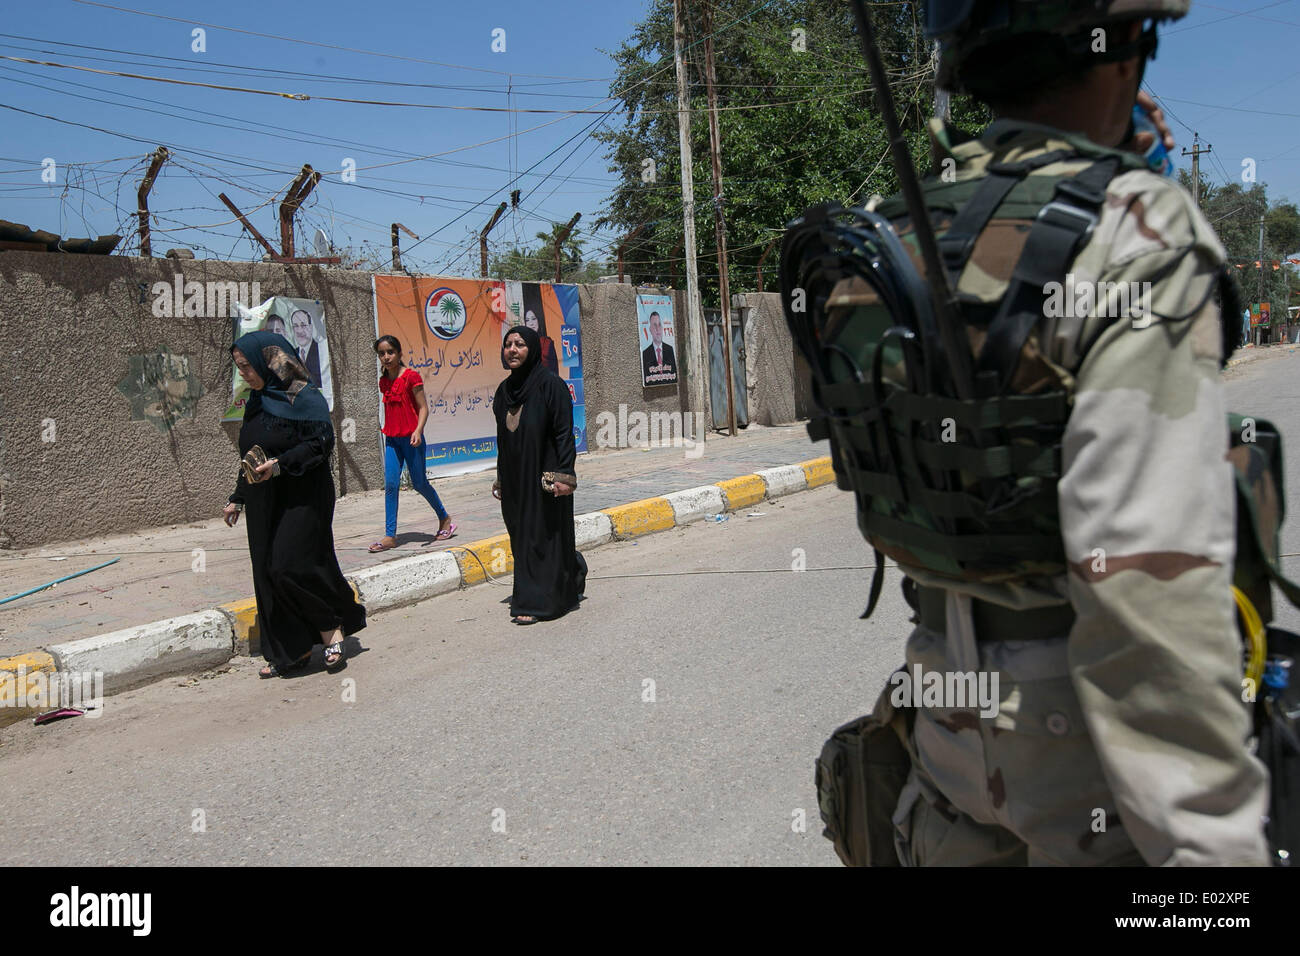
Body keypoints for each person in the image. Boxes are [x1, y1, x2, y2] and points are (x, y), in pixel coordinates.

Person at [794, 0, 1268, 865]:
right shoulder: (1137, 235)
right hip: (1097, 778)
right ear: (1128, 49)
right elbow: (1146, 594)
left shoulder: (890, 230)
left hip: (942, 737)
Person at [223, 330, 365, 677]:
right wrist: (238, 497)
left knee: (289, 564)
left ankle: (331, 628)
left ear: (266, 362)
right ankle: (293, 650)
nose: (243, 373)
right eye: (239, 367)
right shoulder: (258, 399)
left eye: (246, 366)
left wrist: (282, 465)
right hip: (264, 498)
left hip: (304, 494)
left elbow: (320, 444)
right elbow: (252, 451)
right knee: (268, 572)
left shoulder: (301, 396)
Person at [491, 325, 587, 624]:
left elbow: (563, 434)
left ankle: (536, 602)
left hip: (545, 476)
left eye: (520, 344)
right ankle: (570, 574)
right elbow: (502, 440)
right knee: (522, 536)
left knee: (541, 535)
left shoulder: (551, 385)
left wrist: (565, 475)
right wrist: (501, 478)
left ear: (532, 349)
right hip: (515, 478)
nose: (513, 350)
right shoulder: (504, 391)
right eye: (508, 345)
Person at [369, 334, 456, 553]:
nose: (386, 357)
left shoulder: (411, 377)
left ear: (399, 353)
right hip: (392, 440)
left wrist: (418, 430)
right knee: (391, 484)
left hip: (412, 439)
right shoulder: (383, 381)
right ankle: (390, 536)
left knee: (419, 483)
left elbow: (423, 408)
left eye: (390, 352)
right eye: (381, 353)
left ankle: (444, 518)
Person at [290, 308, 324, 388]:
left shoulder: (321, 351)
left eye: (303, 325)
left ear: (311, 327)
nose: (299, 330)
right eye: (295, 326)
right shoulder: (291, 354)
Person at [641, 311, 676, 384]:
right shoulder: (645, 353)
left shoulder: (670, 350)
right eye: (654, 325)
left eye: (659, 324)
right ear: (650, 329)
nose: (657, 329)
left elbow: (674, 376)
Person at [523, 308, 560, 375]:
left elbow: (555, 371)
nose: (531, 323)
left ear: (539, 320)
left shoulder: (547, 343)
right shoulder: (521, 344)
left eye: (534, 319)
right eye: (527, 320)